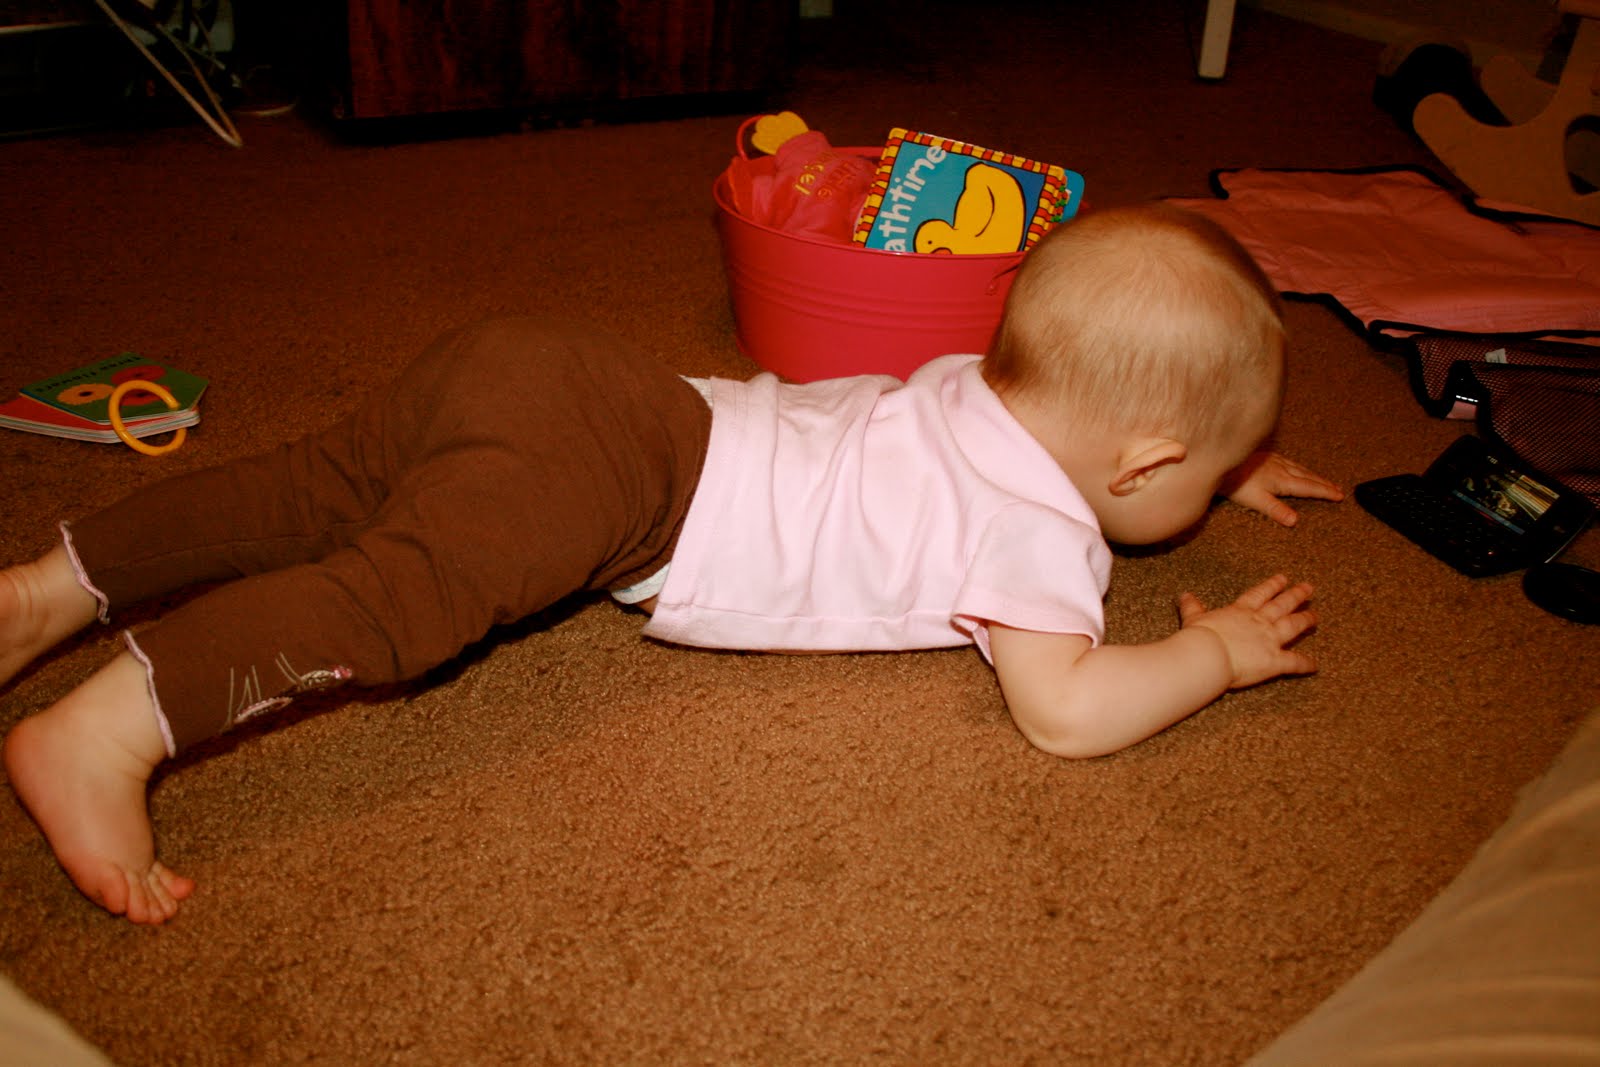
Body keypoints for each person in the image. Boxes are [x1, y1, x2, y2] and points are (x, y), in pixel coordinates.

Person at [0, 202, 1343, 925]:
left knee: (320, 487)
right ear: (1142, 468)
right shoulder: (1037, 529)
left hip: (573, 376)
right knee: (393, 604)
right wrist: (1212, 654)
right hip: (619, 486)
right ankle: (104, 731)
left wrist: (1220, 460)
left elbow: (1103, 414)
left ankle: (51, 589)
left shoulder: (971, 386)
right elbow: (1068, 711)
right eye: (1214, 461)